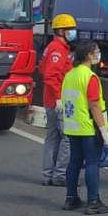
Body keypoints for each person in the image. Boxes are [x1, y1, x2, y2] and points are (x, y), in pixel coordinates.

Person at [61, 40, 108, 215]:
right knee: (92, 163)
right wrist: (103, 129)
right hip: (88, 127)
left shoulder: (70, 75)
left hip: (72, 126)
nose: (98, 55)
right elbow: (94, 105)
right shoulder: (90, 76)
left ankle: (71, 198)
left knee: (74, 162)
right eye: (96, 52)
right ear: (88, 55)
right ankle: (93, 201)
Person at [39, 13, 76, 186]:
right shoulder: (58, 49)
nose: (73, 32)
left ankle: (48, 175)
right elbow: (50, 76)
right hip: (59, 101)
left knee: (52, 138)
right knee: (66, 138)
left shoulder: (53, 47)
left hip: (51, 100)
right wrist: (59, 98)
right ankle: (60, 175)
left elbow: (42, 69)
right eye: (70, 29)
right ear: (61, 30)